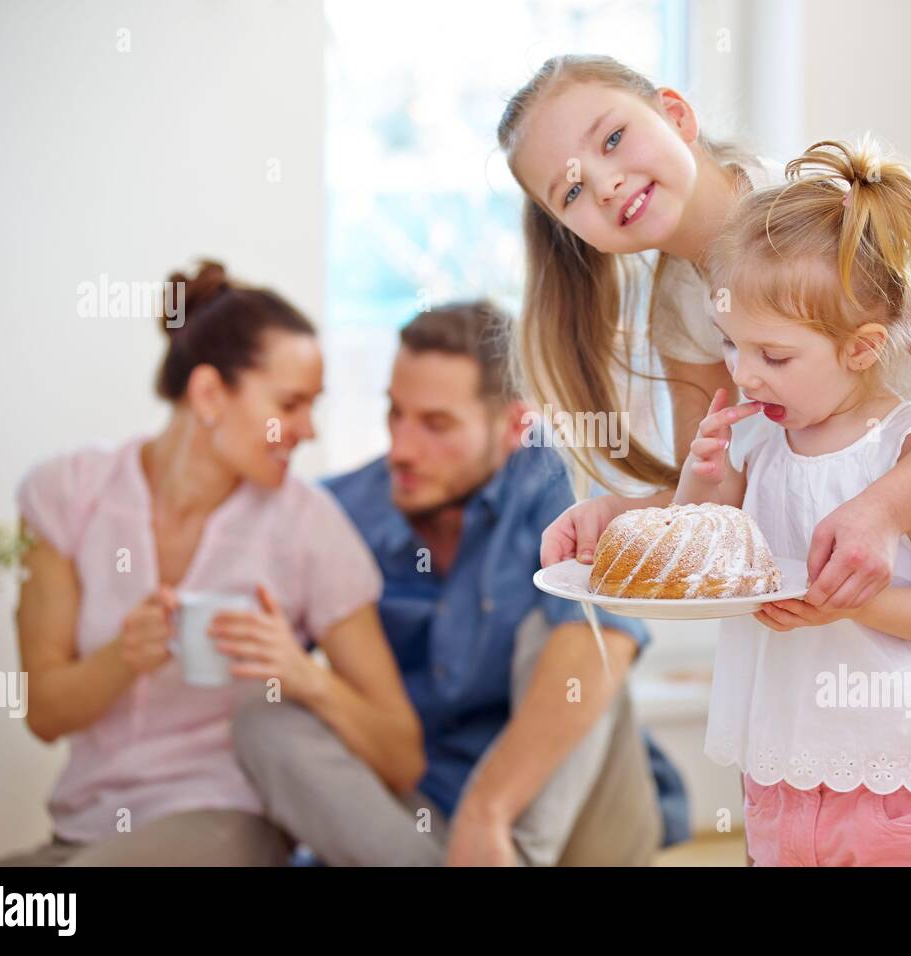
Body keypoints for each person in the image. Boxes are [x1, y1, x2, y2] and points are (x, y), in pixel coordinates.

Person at [497, 55, 911, 864]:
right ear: (564, 225)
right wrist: (618, 521)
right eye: (569, 190)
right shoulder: (681, 310)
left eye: (613, 138)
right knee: (874, 801)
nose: (603, 183)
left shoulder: (824, 215)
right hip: (867, 495)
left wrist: (883, 508)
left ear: (675, 114)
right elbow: (718, 498)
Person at [0, 261, 417, 866]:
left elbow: (402, 752)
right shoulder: (69, 493)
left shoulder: (310, 527)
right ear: (211, 394)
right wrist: (122, 658)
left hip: (226, 825)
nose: (307, 430)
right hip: (84, 832)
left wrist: (300, 673)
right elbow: (44, 714)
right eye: (290, 404)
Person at [233, 302, 688, 866]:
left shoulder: (560, 480)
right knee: (264, 721)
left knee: (579, 634)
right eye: (395, 414)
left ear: (514, 426)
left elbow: (609, 640)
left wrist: (486, 812)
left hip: (566, 815)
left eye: (436, 424)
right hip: (419, 814)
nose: (401, 448)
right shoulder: (339, 511)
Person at [679, 138, 911, 865]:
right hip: (785, 770)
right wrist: (703, 471)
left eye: (774, 356)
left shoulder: (907, 453)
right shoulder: (760, 441)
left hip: (898, 781)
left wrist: (857, 603)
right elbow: (709, 536)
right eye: (732, 345)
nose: (745, 375)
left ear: (861, 348)